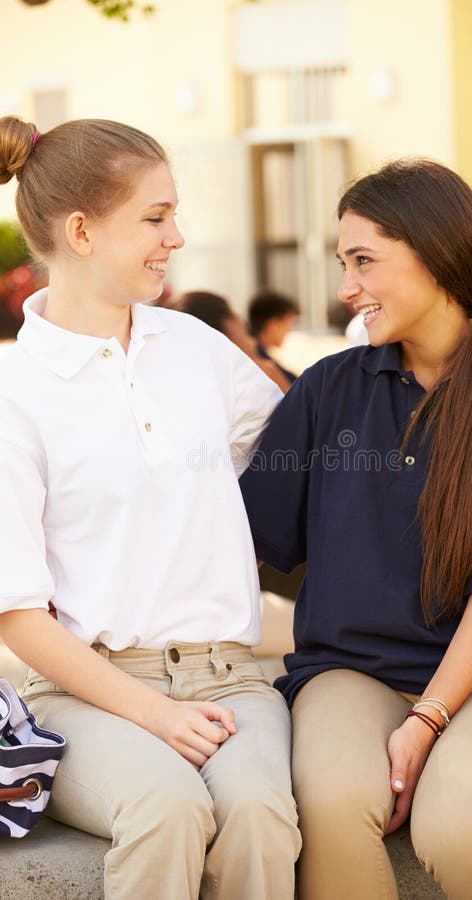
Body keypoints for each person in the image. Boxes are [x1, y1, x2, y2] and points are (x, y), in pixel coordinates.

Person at [239, 159, 472, 900]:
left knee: (460, 825)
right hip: (348, 671)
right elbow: (250, 538)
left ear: (437, 255)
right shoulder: (329, 388)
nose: (344, 289)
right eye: (342, 263)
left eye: (364, 261)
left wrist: (426, 719)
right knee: (331, 806)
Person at [0, 116, 300, 900]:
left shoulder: (195, 348)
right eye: (156, 218)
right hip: (86, 693)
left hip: (232, 679)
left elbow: (301, 457)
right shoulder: (13, 394)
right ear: (81, 231)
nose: (176, 237)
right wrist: (155, 716)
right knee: (167, 809)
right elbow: (18, 617)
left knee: (263, 812)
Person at [178, 289, 294, 393]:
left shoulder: (195, 383)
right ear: (226, 326)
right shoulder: (255, 374)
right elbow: (299, 411)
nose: (243, 321)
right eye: (232, 313)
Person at [247, 289, 299, 386]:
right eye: (288, 323)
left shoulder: (256, 354)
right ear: (273, 324)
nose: (289, 330)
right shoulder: (261, 361)